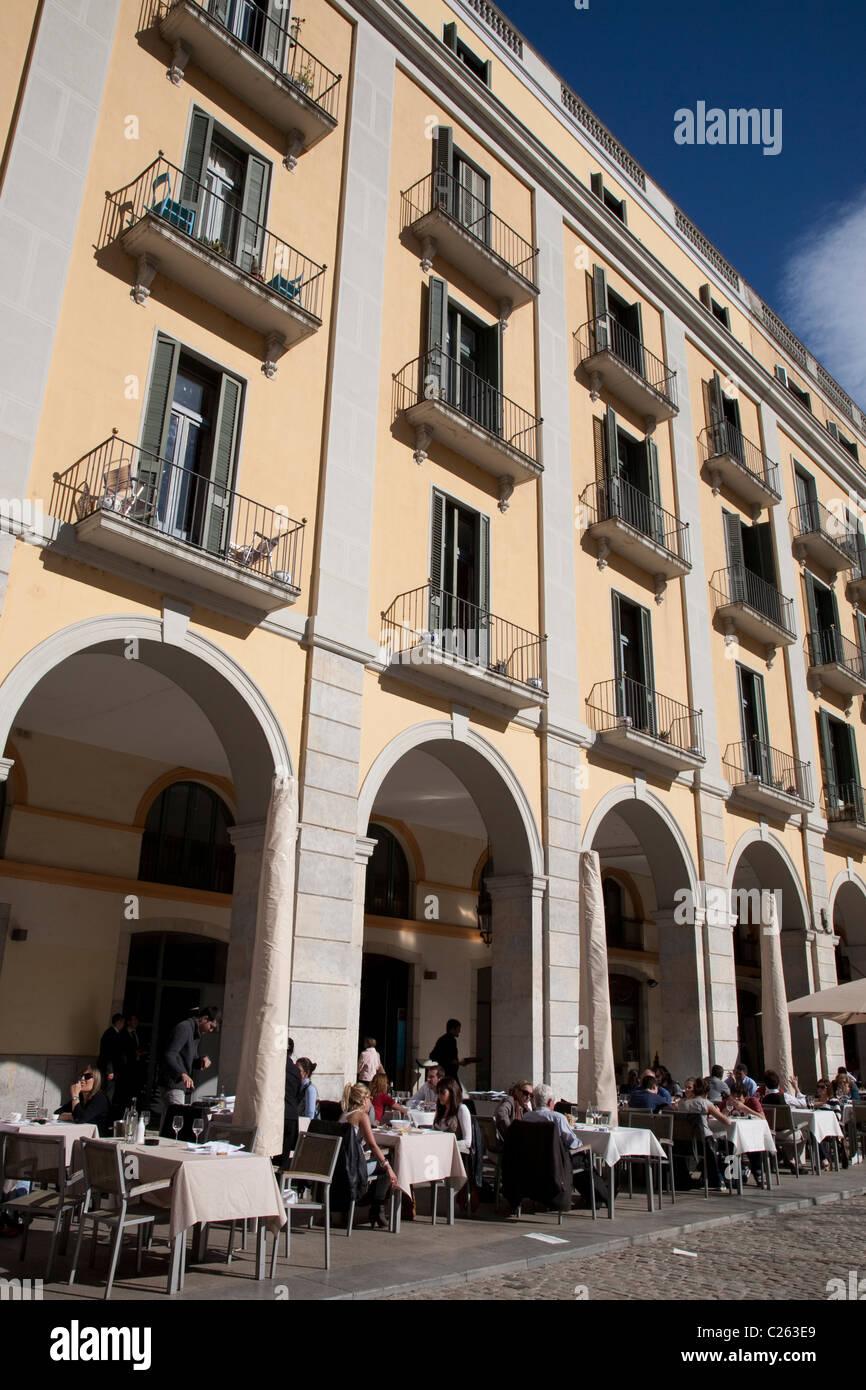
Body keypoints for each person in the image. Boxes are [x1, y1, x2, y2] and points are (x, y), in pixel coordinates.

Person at [340, 1082, 398, 1228]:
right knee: (386, 1165)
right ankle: (378, 1207)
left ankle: (348, 1211)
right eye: (370, 1098)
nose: (371, 1101)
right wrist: (388, 1167)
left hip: (340, 1165)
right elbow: (373, 1145)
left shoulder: (343, 1116)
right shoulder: (362, 1116)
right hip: (354, 1168)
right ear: (365, 1099)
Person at [675, 1076, 734, 1192]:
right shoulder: (705, 1103)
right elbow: (726, 1121)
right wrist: (725, 1112)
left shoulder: (682, 1104)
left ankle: (705, 1174)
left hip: (684, 1145)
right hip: (704, 1144)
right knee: (730, 1144)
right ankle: (723, 1177)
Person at [159, 1005, 220, 1109]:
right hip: (173, 1084)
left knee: (171, 1121)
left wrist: (202, 1060)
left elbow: (191, 1058)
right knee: (176, 1120)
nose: (210, 1031)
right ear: (205, 1019)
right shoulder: (184, 1028)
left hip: (178, 1085)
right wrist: (182, 1074)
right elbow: (169, 1054)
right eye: (211, 1027)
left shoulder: (194, 1032)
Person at [57, 1065, 111, 1137]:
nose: (82, 1079)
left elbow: (79, 1119)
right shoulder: (81, 1098)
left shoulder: (100, 1098)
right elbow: (57, 1113)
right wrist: (72, 1116)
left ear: (96, 1080)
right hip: (80, 1136)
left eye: (87, 1076)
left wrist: (75, 1096)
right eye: (81, 1076)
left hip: (97, 1140)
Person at [430, 1019, 478, 1084]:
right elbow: (446, 1058)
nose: (459, 1031)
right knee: (456, 1091)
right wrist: (458, 1062)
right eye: (458, 1029)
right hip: (448, 1073)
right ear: (452, 1029)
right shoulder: (450, 1040)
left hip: (446, 1073)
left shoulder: (442, 1039)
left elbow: (433, 1055)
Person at [432, 1077, 472, 1152]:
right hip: (438, 1152)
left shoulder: (461, 1109)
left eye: (442, 1092)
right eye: (438, 1092)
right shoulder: (440, 1110)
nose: (439, 1096)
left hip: (455, 1154)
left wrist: (445, 1144)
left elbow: (467, 1142)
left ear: (452, 1092)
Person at [280, 1038, 303, 1166]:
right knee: (284, 1157)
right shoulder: (295, 1070)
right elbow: (297, 1094)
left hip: (278, 1114)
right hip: (291, 1115)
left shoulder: (275, 1067)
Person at [97, 1013, 126, 1090]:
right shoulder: (111, 1033)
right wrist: (110, 1070)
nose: (123, 1025)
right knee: (108, 1088)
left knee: (108, 1087)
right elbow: (110, 1053)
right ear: (118, 1022)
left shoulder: (112, 1033)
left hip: (109, 1066)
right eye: (123, 1022)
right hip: (109, 1067)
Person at [297, 1057, 318, 1121]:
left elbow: (310, 1115)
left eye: (298, 1070)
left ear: (306, 1073)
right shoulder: (299, 1087)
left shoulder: (310, 1089)